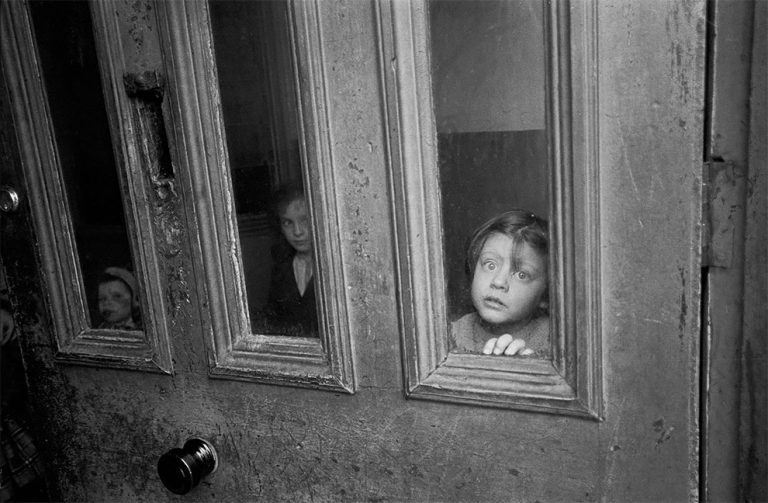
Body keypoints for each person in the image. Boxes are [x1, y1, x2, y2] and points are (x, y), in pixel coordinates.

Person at [451, 210, 550, 356]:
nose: (498, 282)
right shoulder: (451, 335)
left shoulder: (556, 341)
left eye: (521, 275)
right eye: (490, 265)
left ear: (545, 294)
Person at [263, 183, 318, 336]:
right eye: (288, 223)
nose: (298, 232)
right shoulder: (282, 269)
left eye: (305, 220)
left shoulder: (336, 266)